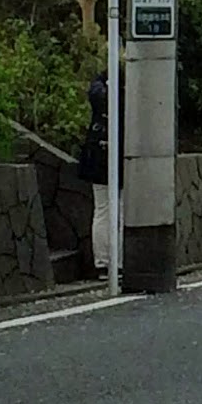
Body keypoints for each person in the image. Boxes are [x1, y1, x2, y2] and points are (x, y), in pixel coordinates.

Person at [77, 66, 124, 279]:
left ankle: (102, 262)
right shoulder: (127, 90)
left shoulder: (98, 91)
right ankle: (118, 261)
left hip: (97, 153)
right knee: (120, 208)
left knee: (103, 209)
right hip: (121, 153)